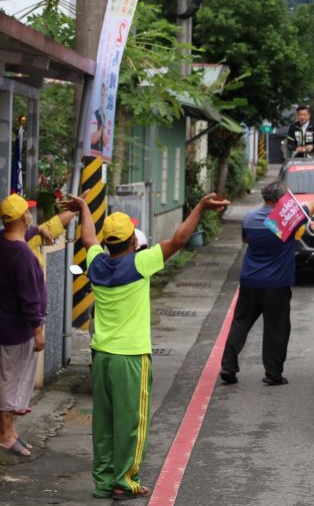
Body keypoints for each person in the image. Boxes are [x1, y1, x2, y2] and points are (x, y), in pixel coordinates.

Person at [59, 191, 229, 501]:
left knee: (105, 422)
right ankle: (125, 481)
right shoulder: (141, 263)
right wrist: (200, 206)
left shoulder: (96, 264)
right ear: (133, 242)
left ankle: (103, 480)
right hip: (131, 357)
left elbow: (87, 238)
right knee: (132, 423)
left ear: (107, 243)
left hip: (101, 356)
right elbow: (178, 240)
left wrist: (84, 206)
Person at [219, 175, 314, 386]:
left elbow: (246, 240)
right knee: (276, 329)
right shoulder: (286, 220)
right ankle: (273, 374)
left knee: (240, 323)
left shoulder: (249, 219)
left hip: (249, 281)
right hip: (276, 285)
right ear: (279, 201)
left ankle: (228, 367)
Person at [0, 194, 47, 457]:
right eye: (28, 214)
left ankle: (10, 432)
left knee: (6, 378)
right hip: (17, 327)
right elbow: (30, 296)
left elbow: (20, 232)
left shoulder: (0, 240)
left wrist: (39, 230)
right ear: (24, 216)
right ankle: (4, 435)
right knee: (10, 381)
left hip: (2, 322)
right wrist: (38, 329)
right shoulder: (22, 254)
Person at [90, 83, 110, 154]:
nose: (103, 97)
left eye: (105, 95)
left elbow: (106, 142)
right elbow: (93, 139)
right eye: (102, 94)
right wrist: (102, 129)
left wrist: (100, 131)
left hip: (103, 156)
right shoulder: (94, 114)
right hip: (92, 154)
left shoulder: (108, 116)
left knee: (104, 165)